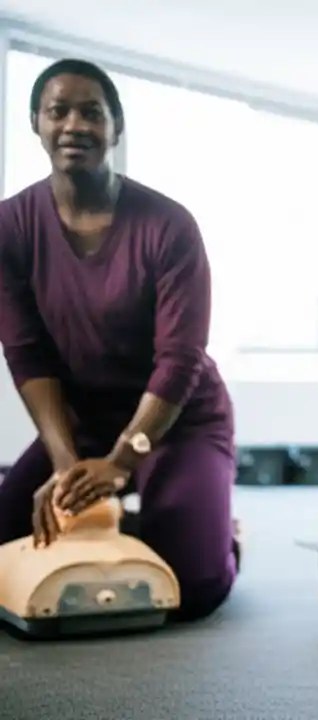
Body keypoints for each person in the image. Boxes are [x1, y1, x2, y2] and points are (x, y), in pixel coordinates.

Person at [0, 59, 237, 622]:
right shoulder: (10, 227)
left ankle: (219, 531)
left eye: (91, 112)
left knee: (192, 585)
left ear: (116, 127)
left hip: (179, 420)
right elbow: (26, 353)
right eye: (59, 111)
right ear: (36, 121)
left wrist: (122, 460)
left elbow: (179, 361)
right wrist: (65, 466)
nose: (74, 125)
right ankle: (129, 523)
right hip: (82, 422)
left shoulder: (169, 225)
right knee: (7, 530)